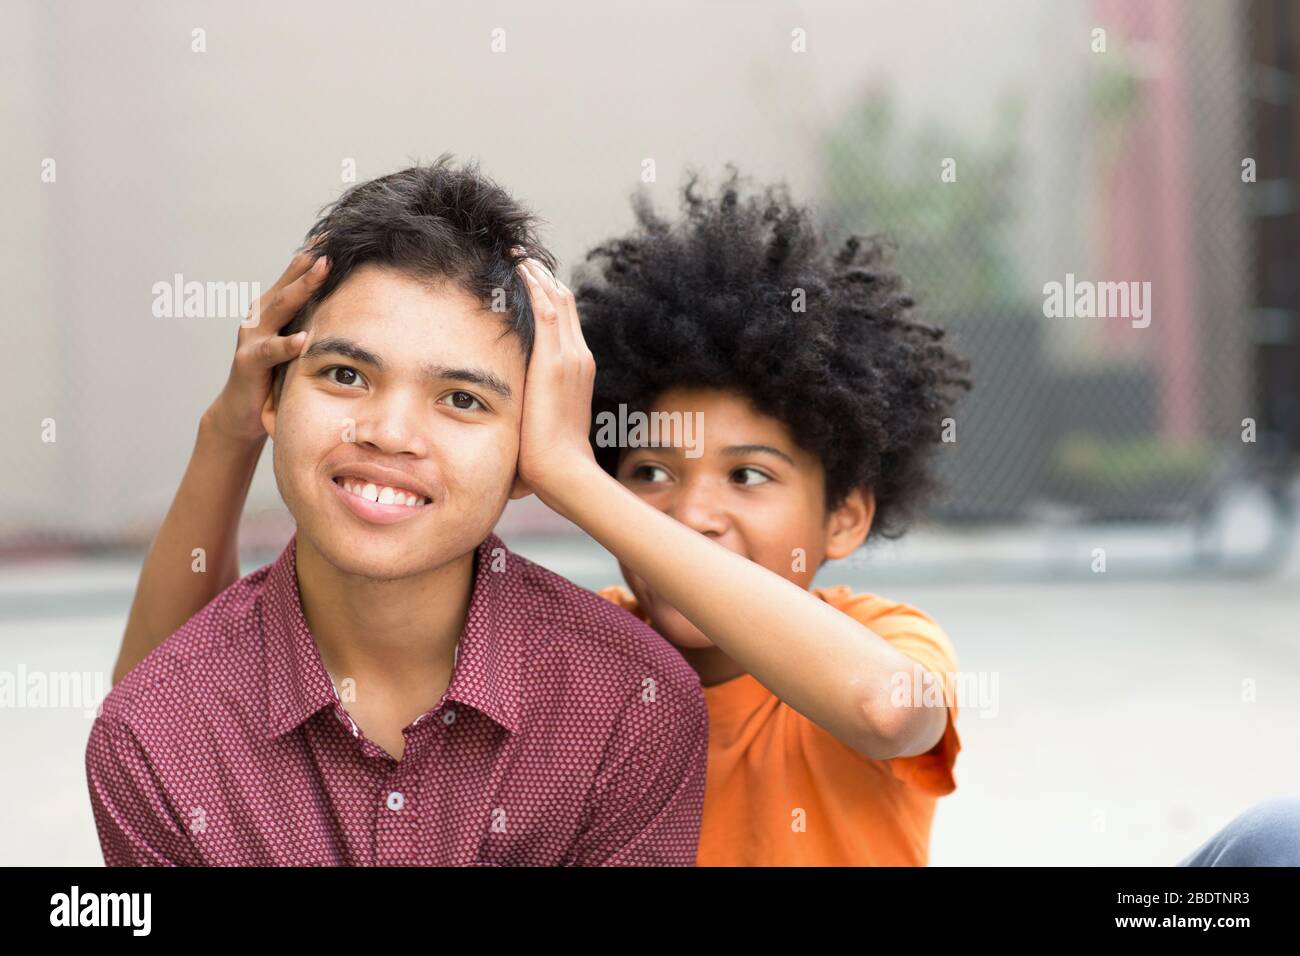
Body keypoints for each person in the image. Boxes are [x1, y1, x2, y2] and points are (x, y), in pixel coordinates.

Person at [112, 167, 974, 866]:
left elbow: (884, 708)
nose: (694, 514)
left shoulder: (877, 638)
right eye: (648, 472)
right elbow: (163, 711)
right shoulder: (587, 652)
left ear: (846, 519)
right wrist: (229, 433)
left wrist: (573, 476)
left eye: (748, 475)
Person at [85, 157, 708, 866]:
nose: (389, 432)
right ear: (271, 398)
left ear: (530, 454)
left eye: (462, 399)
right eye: (346, 375)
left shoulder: (632, 705)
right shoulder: (152, 737)